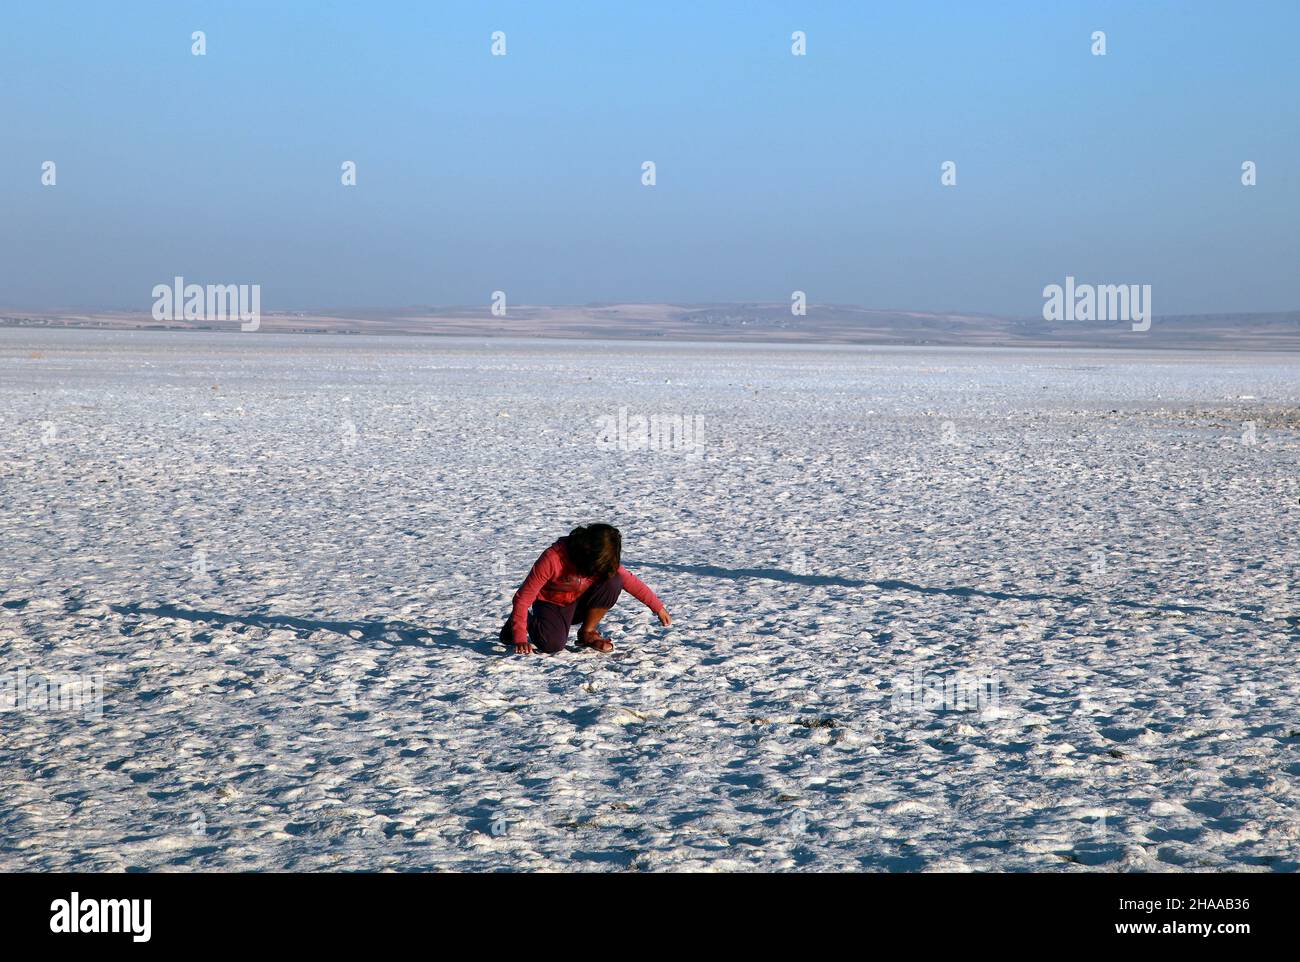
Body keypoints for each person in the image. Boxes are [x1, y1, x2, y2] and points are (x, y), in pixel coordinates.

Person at [500, 524, 671, 655]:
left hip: (579, 603)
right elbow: (523, 598)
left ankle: (587, 633)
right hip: (552, 604)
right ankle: (523, 621)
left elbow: (631, 581)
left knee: (614, 580)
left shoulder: (602, 562)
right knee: (552, 646)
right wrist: (520, 637)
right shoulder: (553, 557)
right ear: (588, 551)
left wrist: (658, 607)